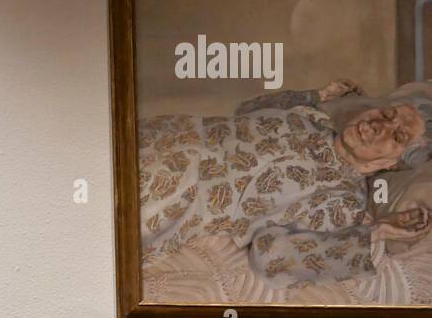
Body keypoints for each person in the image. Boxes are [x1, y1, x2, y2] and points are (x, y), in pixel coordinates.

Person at [140, 80, 432, 287]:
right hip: (160, 133)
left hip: (172, 188)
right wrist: (313, 95)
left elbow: (272, 257)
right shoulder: (314, 118)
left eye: (397, 136)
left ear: (392, 163)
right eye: (386, 114)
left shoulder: (342, 201)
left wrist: (376, 232)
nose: (379, 124)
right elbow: (246, 109)